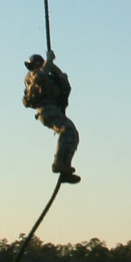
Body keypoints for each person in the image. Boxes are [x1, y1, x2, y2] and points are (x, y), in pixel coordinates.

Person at [23, 52, 80, 183]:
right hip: (46, 110)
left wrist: (56, 70)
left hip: (55, 110)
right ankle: (58, 163)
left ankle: (65, 166)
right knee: (67, 130)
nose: (38, 66)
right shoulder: (32, 76)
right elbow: (40, 76)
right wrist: (48, 62)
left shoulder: (51, 78)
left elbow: (66, 87)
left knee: (73, 134)